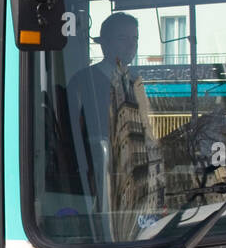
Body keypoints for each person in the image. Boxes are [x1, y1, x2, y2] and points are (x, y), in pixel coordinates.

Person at [65, 13, 164, 235]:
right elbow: (72, 138)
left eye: (135, 39)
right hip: (99, 177)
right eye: (123, 38)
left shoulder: (135, 80)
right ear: (105, 43)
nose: (131, 45)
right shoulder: (83, 82)